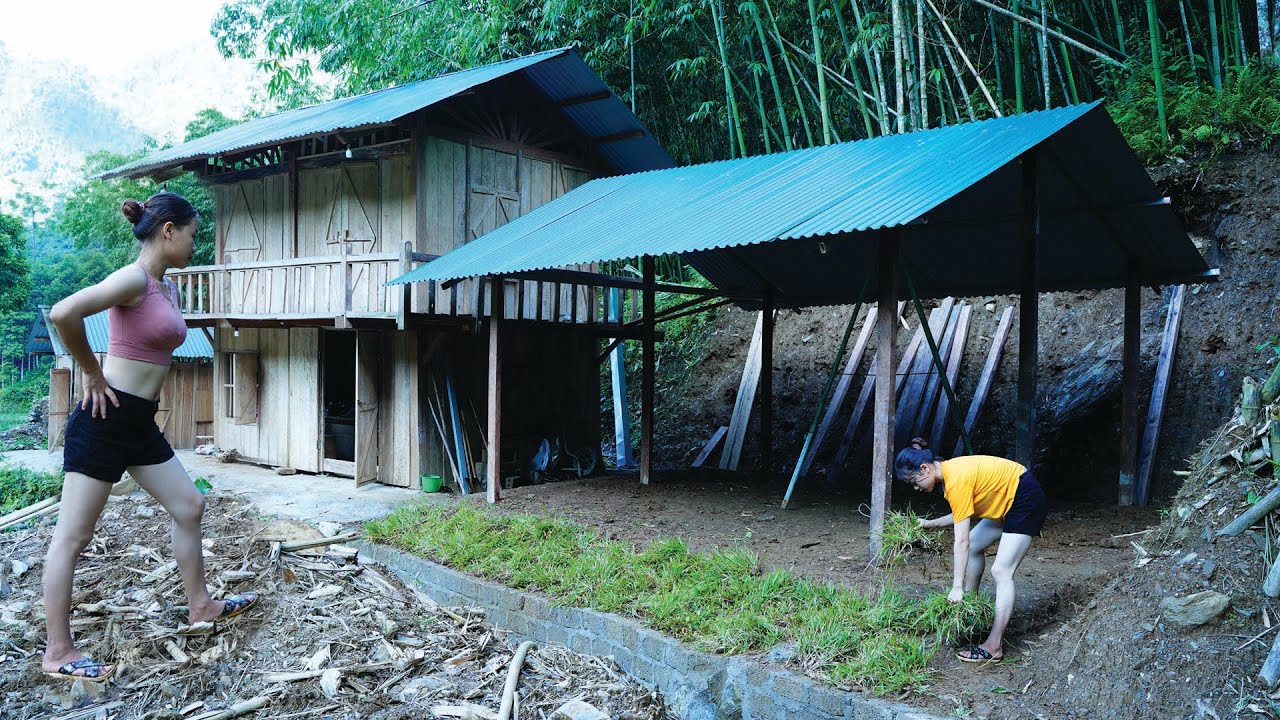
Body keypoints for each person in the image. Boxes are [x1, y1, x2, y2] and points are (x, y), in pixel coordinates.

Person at [42, 192, 258, 682]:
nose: (194, 243)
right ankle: (58, 651)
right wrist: (92, 374)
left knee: (189, 506)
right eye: (192, 233)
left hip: (138, 421)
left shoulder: (166, 288)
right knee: (73, 536)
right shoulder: (134, 278)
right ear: (168, 231)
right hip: (104, 419)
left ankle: (200, 605)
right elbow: (64, 312)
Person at [896, 438, 1047, 663]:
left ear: (925, 468)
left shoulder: (956, 480)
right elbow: (963, 512)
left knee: (1001, 571)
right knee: (977, 545)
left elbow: (961, 542)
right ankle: (971, 609)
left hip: (1024, 499)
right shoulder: (950, 476)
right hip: (1008, 499)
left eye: (914, 482)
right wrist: (929, 524)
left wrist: (956, 586)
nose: (916, 488)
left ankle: (994, 645)